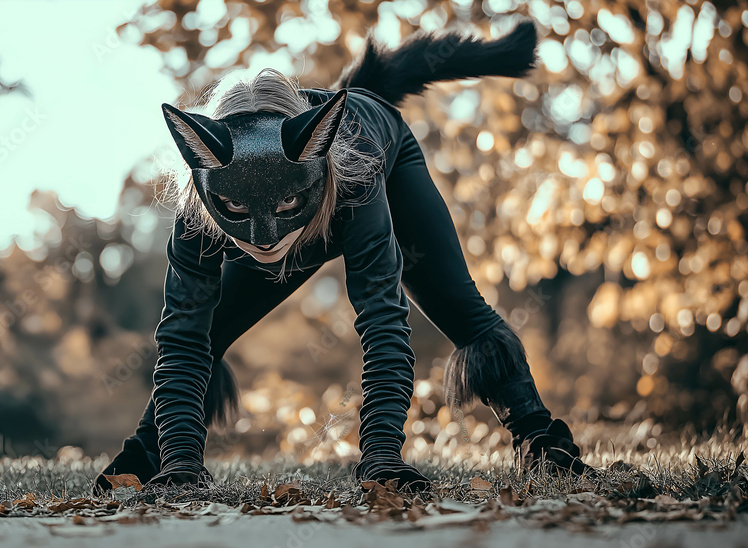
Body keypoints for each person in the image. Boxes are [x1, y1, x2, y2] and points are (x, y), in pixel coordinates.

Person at [93, 19, 590, 494]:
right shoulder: (198, 202)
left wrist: (382, 459)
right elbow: (183, 336)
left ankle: (538, 436)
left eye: (282, 208)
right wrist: (181, 467)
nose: (263, 241)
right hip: (289, 189)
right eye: (237, 209)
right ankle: (154, 452)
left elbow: (383, 319)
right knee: (206, 332)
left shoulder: (357, 175)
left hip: (373, 170)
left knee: (461, 309)